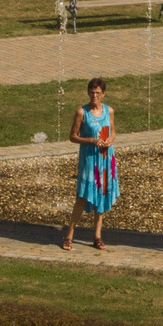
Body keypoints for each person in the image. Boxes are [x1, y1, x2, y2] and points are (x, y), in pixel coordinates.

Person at [65, 77, 118, 252]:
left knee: (102, 194)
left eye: (97, 93)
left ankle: (97, 235)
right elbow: (73, 136)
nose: (94, 96)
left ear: (103, 94)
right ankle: (69, 234)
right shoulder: (82, 112)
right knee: (83, 195)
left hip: (105, 158)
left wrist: (110, 139)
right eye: (92, 93)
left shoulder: (109, 111)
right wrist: (91, 140)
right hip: (89, 159)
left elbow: (113, 131)